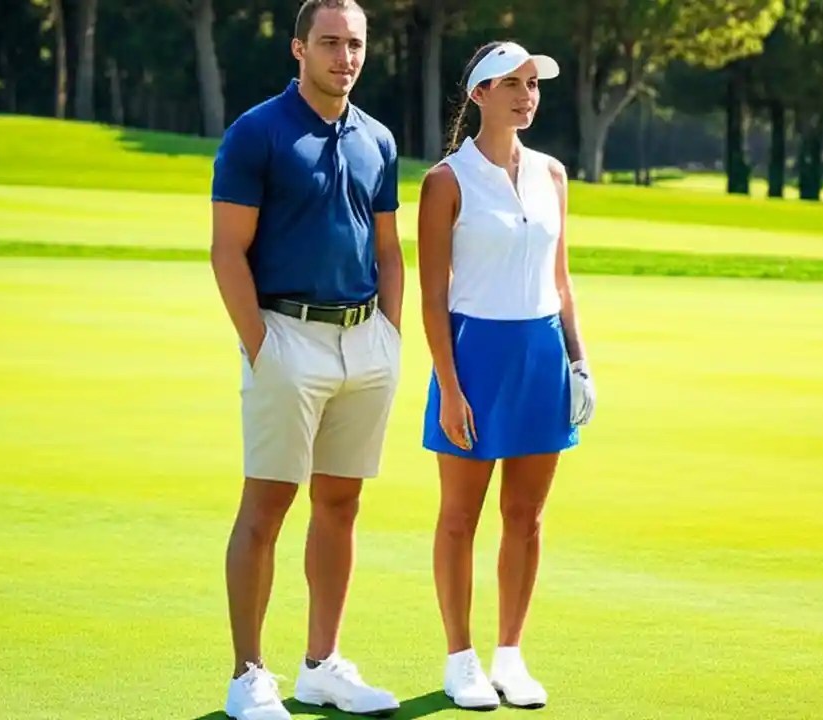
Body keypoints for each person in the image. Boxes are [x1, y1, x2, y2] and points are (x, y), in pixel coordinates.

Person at [208, 1, 404, 718]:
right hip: (285, 336)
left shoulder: (378, 139)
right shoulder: (257, 132)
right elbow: (227, 250)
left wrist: (389, 336)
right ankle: (248, 675)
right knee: (266, 506)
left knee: (341, 504)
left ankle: (322, 666)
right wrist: (260, 345)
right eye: (329, 43)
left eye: (354, 44)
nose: (344, 57)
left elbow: (389, 250)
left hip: (364, 340)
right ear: (299, 49)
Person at [415, 41, 596, 711]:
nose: (526, 95)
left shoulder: (553, 174)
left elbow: (561, 279)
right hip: (475, 358)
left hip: (542, 354)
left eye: (532, 84)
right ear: (479, 95)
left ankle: (510, 658)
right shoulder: (446, 181)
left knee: (526, 516)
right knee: (460, 517)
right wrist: (450, 387)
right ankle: (460, 659)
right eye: (511, 84)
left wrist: (579, 362)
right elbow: (433, 295)